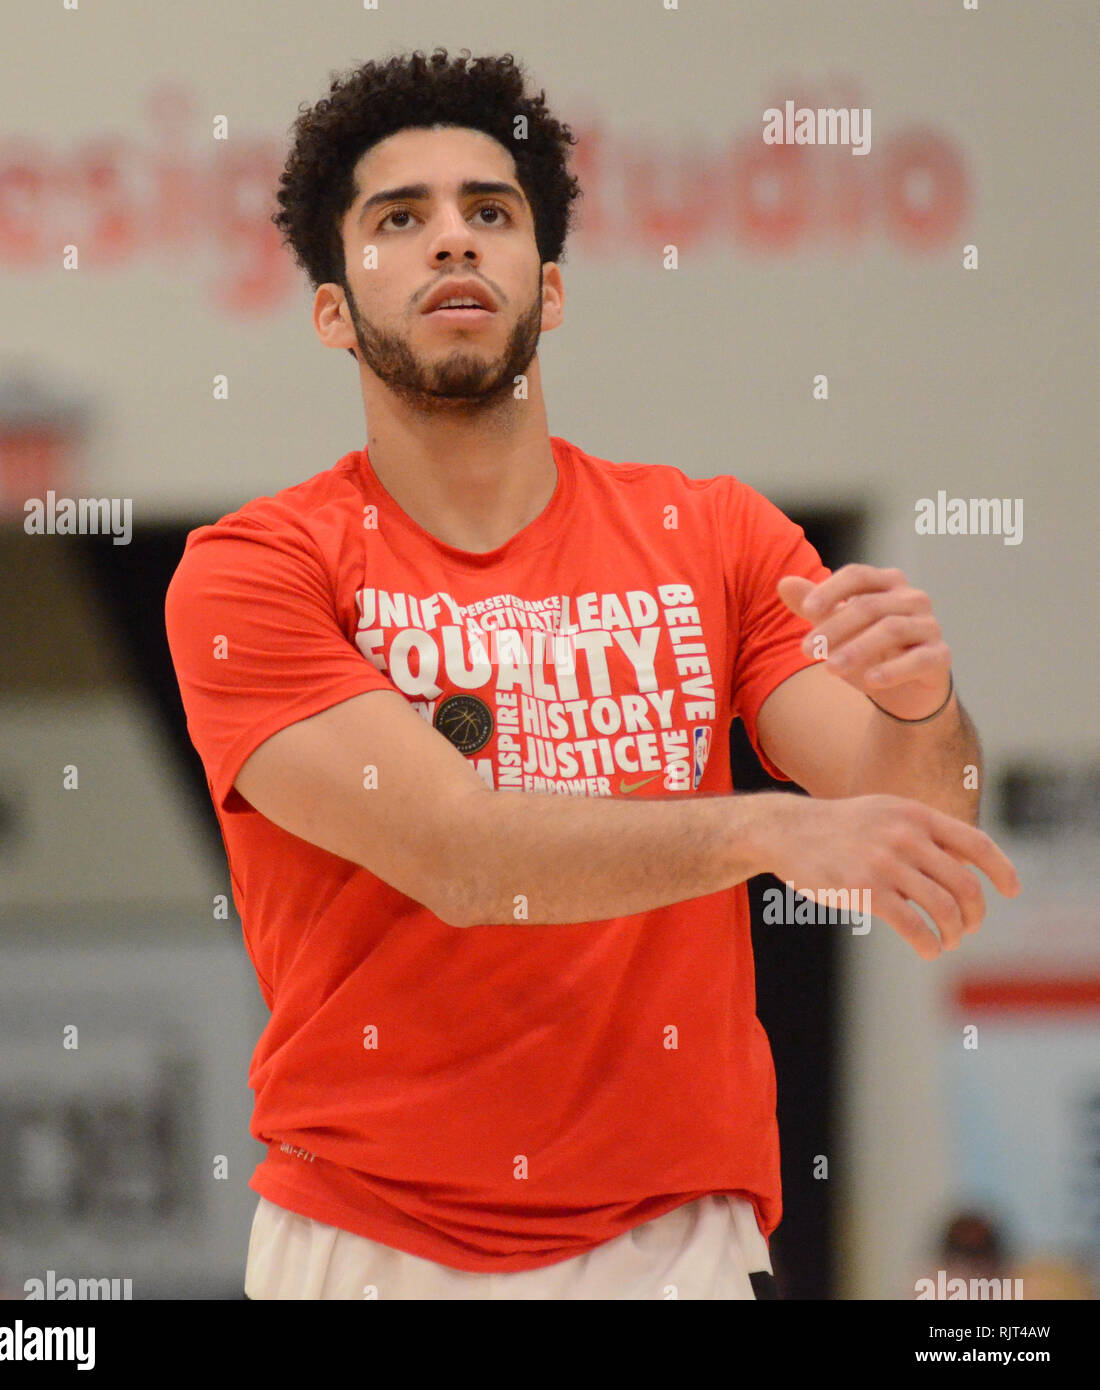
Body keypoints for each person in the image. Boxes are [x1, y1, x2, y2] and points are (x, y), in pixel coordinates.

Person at [163, 48, 1021, 1300]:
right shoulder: (257, 574)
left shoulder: (717, 536)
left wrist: (921, 707)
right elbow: (464, 859)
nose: (452, 242)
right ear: (333, 308)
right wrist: (775, 829)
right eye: (399, 219)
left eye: (489, 212)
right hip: (376, 1243)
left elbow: (922, 821)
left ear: (548, 288)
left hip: (677, 1241)